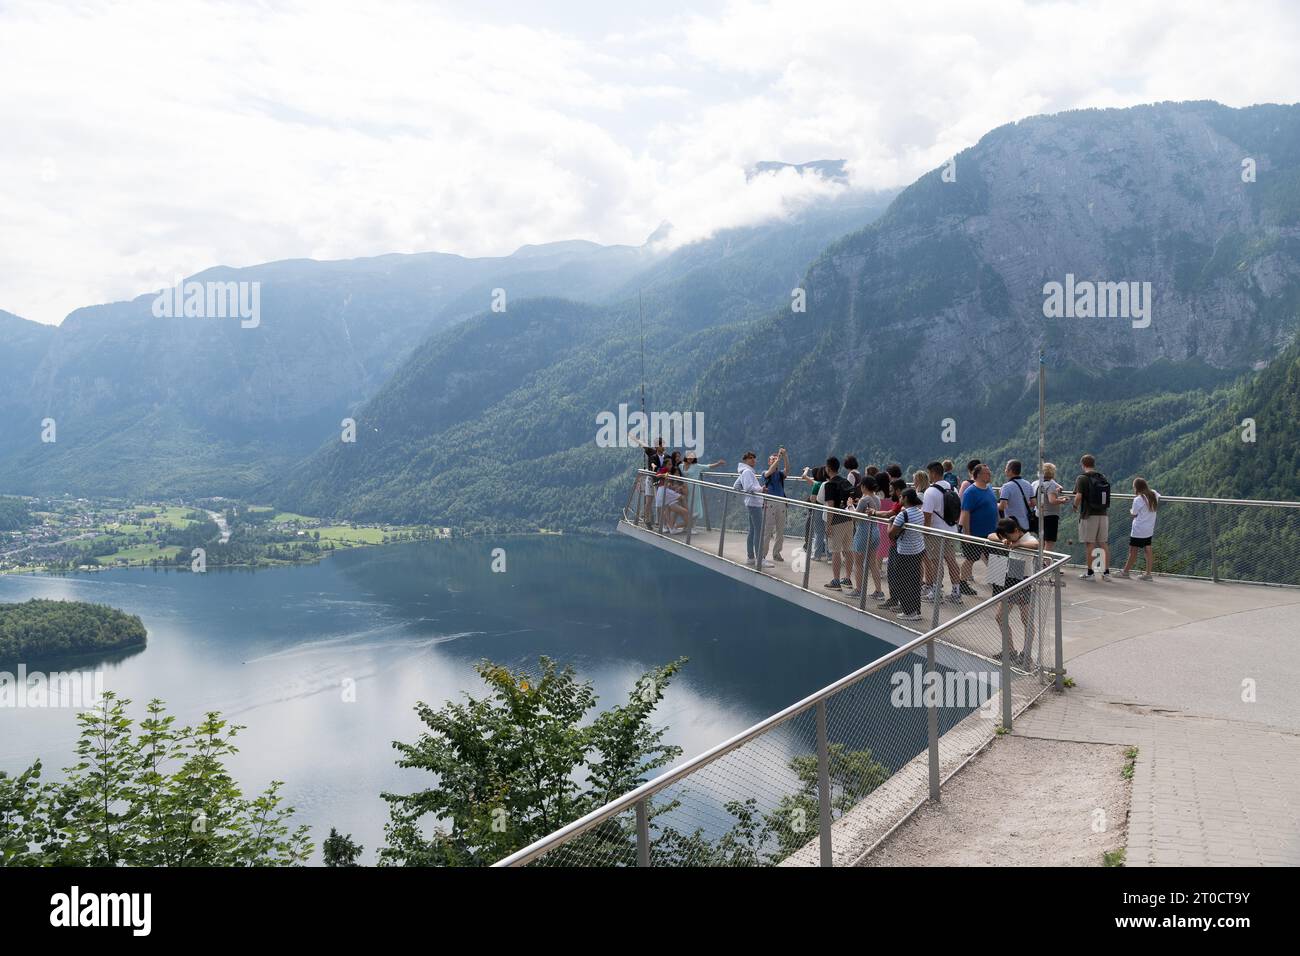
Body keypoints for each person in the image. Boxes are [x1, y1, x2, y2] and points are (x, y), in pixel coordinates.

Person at [988, 517, 1040, 667]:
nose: (1007, 539)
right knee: (1000, 616)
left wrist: (1018, 544)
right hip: (1012, 573)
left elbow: (1036, 544)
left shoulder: (1027, 537)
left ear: (1016, 531)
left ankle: (1026, 653)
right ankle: (1009, 650)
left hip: (1024, 578)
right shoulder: (1009, 536)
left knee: (1026, 619)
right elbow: (990, 536)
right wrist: (1004, 540)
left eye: (1008, 536)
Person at [921, 461, 963, 606]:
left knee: (935, 562)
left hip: (935, 531)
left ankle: (937, 590)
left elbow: (927, 515)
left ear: (932, 473)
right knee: (951, 560)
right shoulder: (953, 488)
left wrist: (925, 532)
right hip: (951, 530)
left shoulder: (930, 491)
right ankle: (956, 591)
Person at [958, 464, 999, 594]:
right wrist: (968, 533)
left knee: (996, 558)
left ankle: (998, 588)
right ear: (979, 475)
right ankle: (962, 583)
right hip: (976, 533)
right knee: (971, 558)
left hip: (991, 532)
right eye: (987, 473)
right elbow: (965, 512)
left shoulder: (990, 488)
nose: (990, 475)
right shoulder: (970, 492)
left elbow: (994, 508)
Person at [887, 489, 927, 621]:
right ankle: (916, 610)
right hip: (918, 549)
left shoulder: (902, 515)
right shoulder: (920, 513)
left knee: (903, 582)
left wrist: (890, 523)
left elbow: (891, 534)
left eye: (901, 497)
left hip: (904, 551)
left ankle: (908, 611)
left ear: (905, 498)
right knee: (915, 581)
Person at [1073, 454, 1112, 582]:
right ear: (1093, 464)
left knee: (1090, 543)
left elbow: (1078, 496)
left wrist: (1074, 506)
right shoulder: (1102, 477)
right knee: (1103, 543)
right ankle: (1105, 572)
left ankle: (1091, 573)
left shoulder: (1082, 478)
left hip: (1089, 514)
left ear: (1083, 464)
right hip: (1103, 514)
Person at [1032, 462, 1069, 585]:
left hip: (1038, 514)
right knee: (1050, 542)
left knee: (1041, 540)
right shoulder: (1050, 486)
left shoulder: (1036, 483)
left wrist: (1057, 487)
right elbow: (1052, 500)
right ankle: (1046, 565)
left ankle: (1038, 562)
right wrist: (1062, 500)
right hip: (1050, 516)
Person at [846, 475, 882, 600]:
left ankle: (859, 590)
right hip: (875, 531)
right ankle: (879, 591)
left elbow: (855, 517)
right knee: (873, 563)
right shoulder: (877, 498)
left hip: (863, 532)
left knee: (858, 563)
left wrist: (850, 506)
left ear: (864, 486)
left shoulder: (864, 499)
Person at [735, 451, 772, 567]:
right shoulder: (747, 472)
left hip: (751, 503)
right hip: (754, 504)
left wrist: (750, 493)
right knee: (759, 531)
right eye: (751, 459)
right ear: (745, 460)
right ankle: (760, 559)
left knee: (752, 531)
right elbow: (748, 487)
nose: (753, 461)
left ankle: (751, 557)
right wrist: (761, 489)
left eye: (754, 459)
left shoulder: (744, 472)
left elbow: (736, 486)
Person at [822, 457, 855, 589]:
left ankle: (836, 581)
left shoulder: (830, 484)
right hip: (849, 519)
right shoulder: (845, 482)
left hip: (836, 521)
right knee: (848, 550)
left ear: (828, 468)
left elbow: (830, 506)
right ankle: (847, 578)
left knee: (835, 551)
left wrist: (829, 524)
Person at [1120, 478, 1159, 579]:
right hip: (1149, 529)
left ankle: (1125, 572)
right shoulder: (1153, 494)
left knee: (1133, 551)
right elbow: (1159, 496)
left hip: (1138, 529)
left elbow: (1133, 514)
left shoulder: (1138, 499)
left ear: (1137, 488)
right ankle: (1148, 574)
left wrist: (1130, 511)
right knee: (1148, 550)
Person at [681, 451, 726, 530]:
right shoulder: (681, 466)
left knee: (695, 507)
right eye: (689, 457)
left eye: (692, 457)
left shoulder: (697, 466)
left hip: (694, 489)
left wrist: (718, 463)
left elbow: (708, 466)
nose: (690, 459)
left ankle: (693, 526)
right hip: (684, 489)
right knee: (686, 507)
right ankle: (687, 525)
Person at [761, 447, 790, 561]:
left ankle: (776, 553)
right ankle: (762, 554)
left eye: (775, 459)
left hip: (781, 502)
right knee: (767, 529)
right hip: (770, 502)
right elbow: (770, 471)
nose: (774, 460)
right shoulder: (765, 473)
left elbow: (787, 469)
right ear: (769, 462)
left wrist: (785, 456)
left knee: (780, 530)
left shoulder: (780, 474)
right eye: (772, 459)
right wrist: (779, 457)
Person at [998, 459, 1036, 533]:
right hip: (1025, 524)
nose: (1005, 470)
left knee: (1012, 544)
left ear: (1010, 471)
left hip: (1012, 525)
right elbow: (1034, 503)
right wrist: (1020, 504)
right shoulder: (1028, 484)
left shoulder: (1006, 486)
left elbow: (1002, 506)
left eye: (1006, 468)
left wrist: (994, 504)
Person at [803, 466, 830, 561]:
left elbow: (813, 499)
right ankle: (830, 556)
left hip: (818, 509)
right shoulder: (829, 484)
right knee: (828, 533)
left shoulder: (817, 484)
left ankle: (817, 555)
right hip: (828, 509)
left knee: (819, 532)